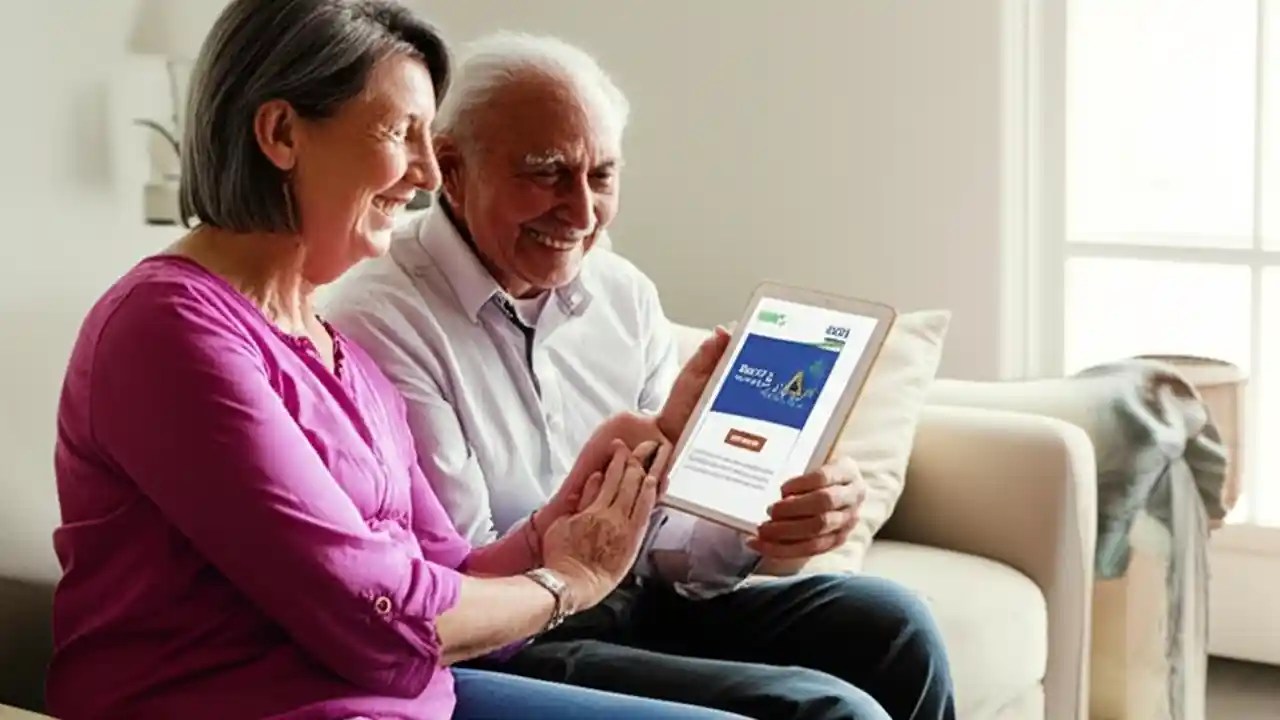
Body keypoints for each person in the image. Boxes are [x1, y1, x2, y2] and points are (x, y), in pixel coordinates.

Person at [46, 3, 746, 719]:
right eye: (400, 133)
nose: (423, 174)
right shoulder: (167, 330)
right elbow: (366, 612)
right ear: (282, 133)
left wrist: (576, 512)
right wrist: (567, 581)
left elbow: (451, 573)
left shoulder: (336, 349)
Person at [325, 33, 957, 720]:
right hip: (511, 636)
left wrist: (766, 520)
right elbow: (462, 573)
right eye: (546, 172)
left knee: (894, 625)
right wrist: (635, 464)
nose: (583, 213)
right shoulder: (380, 314)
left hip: (628, 602)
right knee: (825, 710)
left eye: (601, 175)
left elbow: (675, 557)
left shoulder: (623, 295)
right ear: (452, 164)